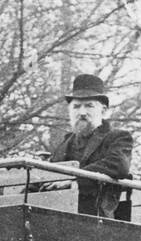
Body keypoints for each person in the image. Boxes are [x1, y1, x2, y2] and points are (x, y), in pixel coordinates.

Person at [49, 73, 134, 218]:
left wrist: (73, 180)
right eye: (76, 107)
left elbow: (118, 165)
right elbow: (46, 176)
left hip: (95, 220)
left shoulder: (117, 138)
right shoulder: (64, 144)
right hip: (57, 215)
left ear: (104, 110)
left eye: (89, 106)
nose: (82, 112)